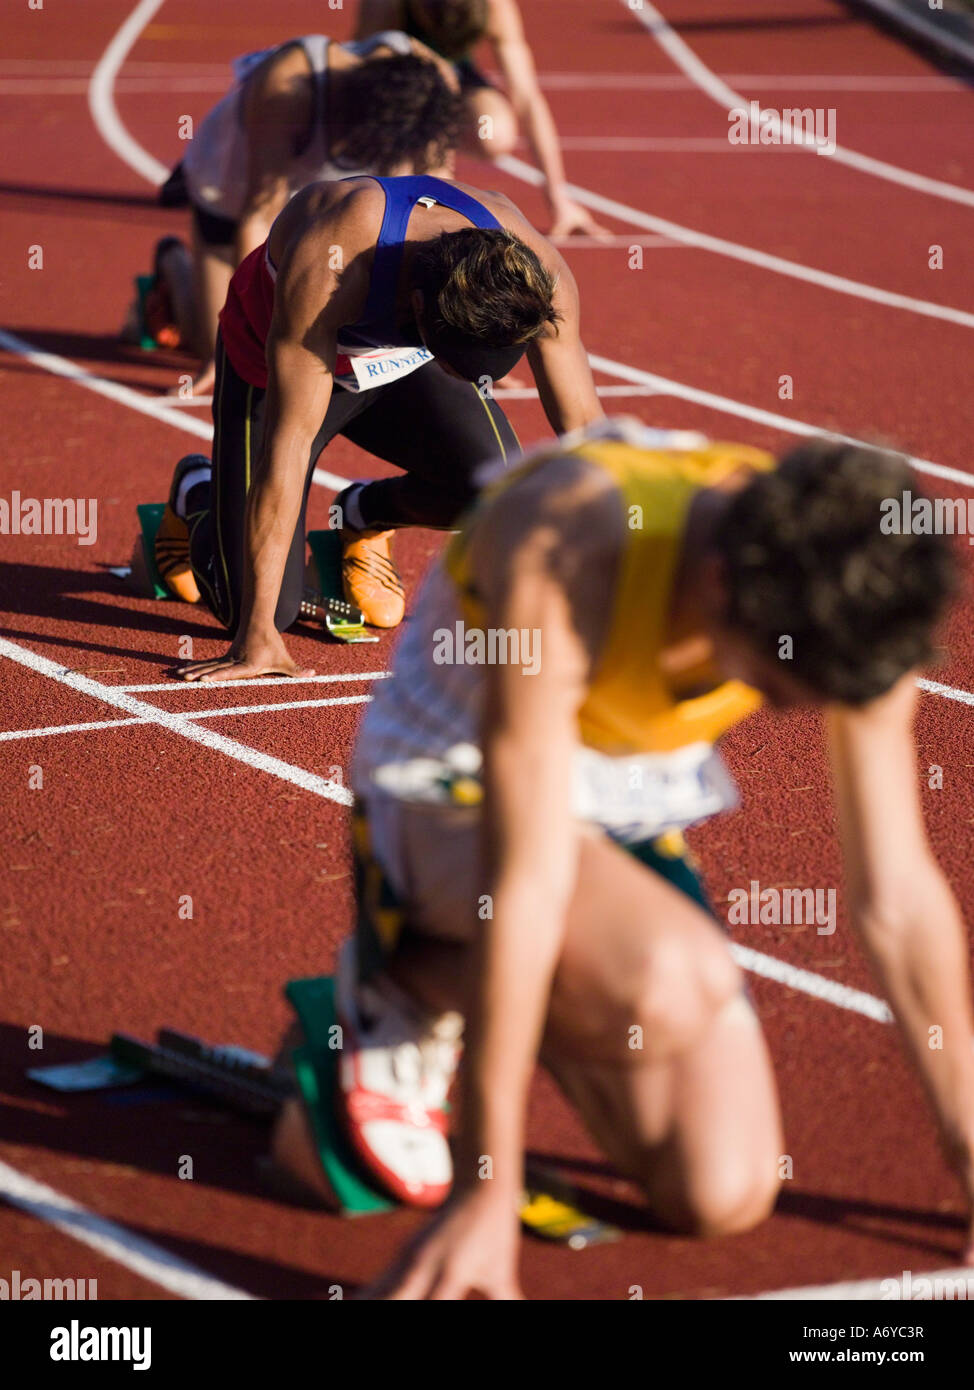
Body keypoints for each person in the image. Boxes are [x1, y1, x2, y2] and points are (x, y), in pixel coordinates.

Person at [267, 417, 974, 1299]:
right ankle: (401, 987)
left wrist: (966, 1140)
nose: (782, 711)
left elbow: (898, 892)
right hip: (450, 789)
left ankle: (527, 990)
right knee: (668, 975)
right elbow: (524, 878)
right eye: (776, 689)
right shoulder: (567, 538)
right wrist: (486, 1192)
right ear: (719, 586)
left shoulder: (861, 590)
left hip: (623, 812)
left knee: (723, 1191)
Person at [162, 173, 603, 666]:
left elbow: (588, 432)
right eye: (462, 363)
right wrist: (256, 635)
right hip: (283, 361)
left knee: (494, 493)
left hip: (401, 365)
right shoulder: (334, 259)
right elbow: (288, 446)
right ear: (418, 306)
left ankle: (363, 514)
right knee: (254, 606)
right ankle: (196, 491)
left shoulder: (539, 275)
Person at [150, 31, 463, 394]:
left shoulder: (435, 87)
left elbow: (439, 203)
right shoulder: (286, 90)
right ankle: (175, 266)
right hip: (229, 190)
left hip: (326, 191)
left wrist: (459, 338)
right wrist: (246, 335)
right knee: (229, 348)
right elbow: (257, 216)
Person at [356, 0, 611, 240]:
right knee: (400, 174)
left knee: (492, 131)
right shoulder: (387, 6)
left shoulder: (495, 6)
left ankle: (435, 168)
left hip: (458, 78)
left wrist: (558, 198)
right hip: (399, 79)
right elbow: (361, 80)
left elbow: (526, 97)